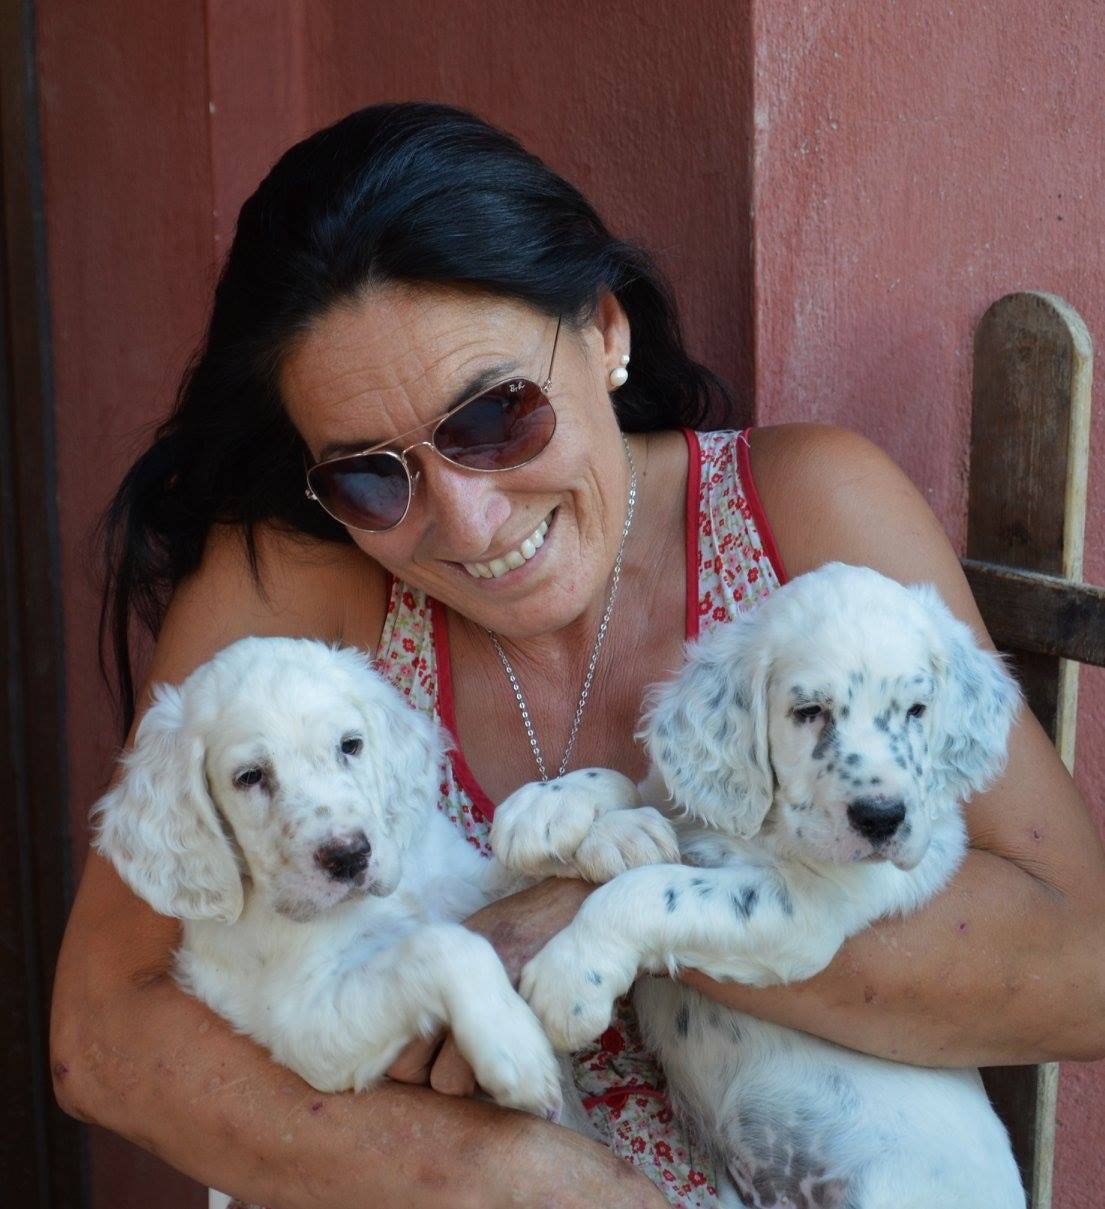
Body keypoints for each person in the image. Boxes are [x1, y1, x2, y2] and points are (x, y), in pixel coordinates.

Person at [51, 102, 1105, 1209]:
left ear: (604, 333)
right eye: (369, 473)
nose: (464, 522)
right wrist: (500, 1177)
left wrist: (614, 914)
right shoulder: (297, 595)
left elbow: (1080, 968)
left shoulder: (802, 512)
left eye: (497, 415)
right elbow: (99, 1032)